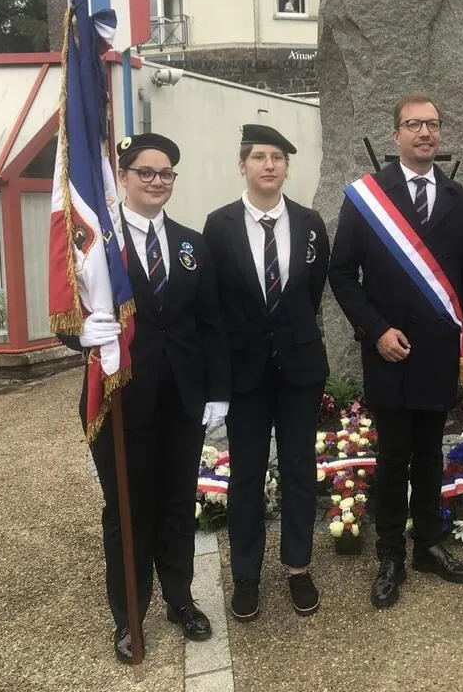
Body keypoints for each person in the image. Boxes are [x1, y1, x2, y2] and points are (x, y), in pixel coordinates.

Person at [61, 133, 229, 663]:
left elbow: (211, 323)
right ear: (124, 177)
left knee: (179, 504)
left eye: (167, 173)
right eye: (146, 172)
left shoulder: (191, 243)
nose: (158, 182)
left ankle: (179, 600)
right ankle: (129, 613)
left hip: (182, 398)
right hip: (122, 396)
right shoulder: (96, 246)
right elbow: (68, 307)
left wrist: (217, 392)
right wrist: (79, 334)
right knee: (127, 512)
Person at [329, 94, 463, 608]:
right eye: (414, 125)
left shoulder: (459, 198)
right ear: (395, 134)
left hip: (439, 351)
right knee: (394, 458)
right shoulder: (366, 197)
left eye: (433, 125)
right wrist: (374, 331)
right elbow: (342, 273)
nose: (425, 133)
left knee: (430, 454)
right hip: (390, 351)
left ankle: (429, 547)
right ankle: (391, 554)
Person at [202, 124, 329, 622]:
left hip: (299, 367)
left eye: (277, 157)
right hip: (245, 372)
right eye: (259, 156)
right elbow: (213, 305)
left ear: (286, 167)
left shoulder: (310, 222)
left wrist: (286, 334)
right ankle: (247, 576)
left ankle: (298, 567)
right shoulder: (218, 225)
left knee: (300, 470)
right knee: (247, 476)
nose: (269, 165)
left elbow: (310, 291)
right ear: (242, 165)